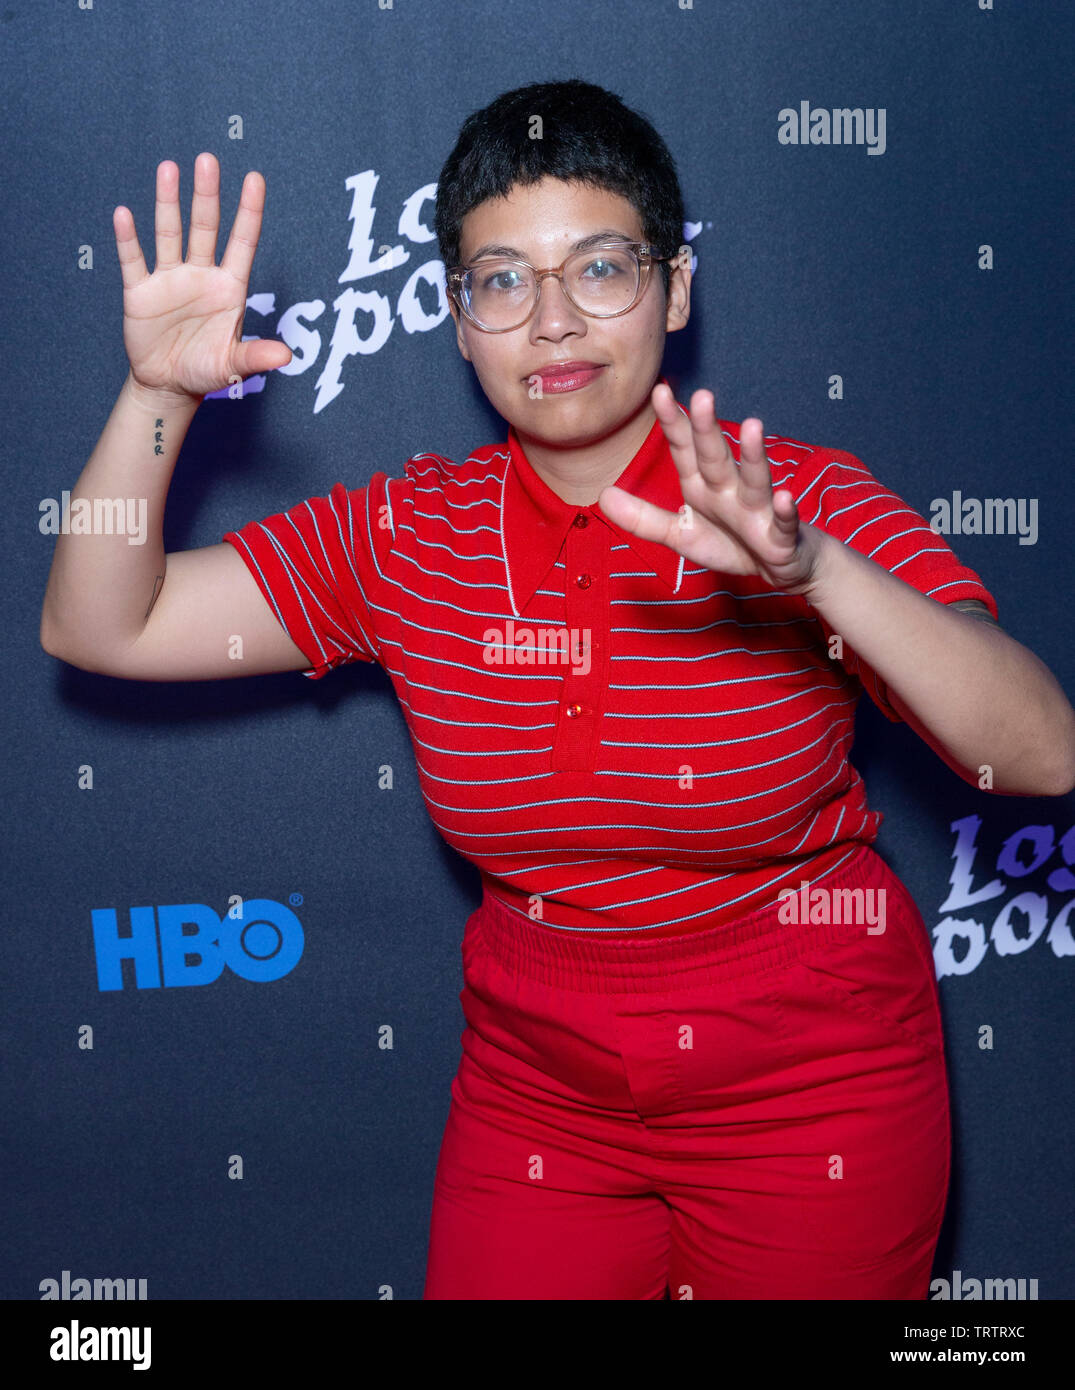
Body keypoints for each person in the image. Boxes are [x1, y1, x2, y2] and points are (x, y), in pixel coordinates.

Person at [40, 79, 1075, 1301]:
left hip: (814, 1077)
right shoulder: (404, 535)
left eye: (600, 269)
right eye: (500, 282)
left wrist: (818, 572)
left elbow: (1041, 754)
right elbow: (105, 623)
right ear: (459, 319)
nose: (551, 322)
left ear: (675, 287)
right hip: (543, 1095)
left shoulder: (789, 496)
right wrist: (161, 390)